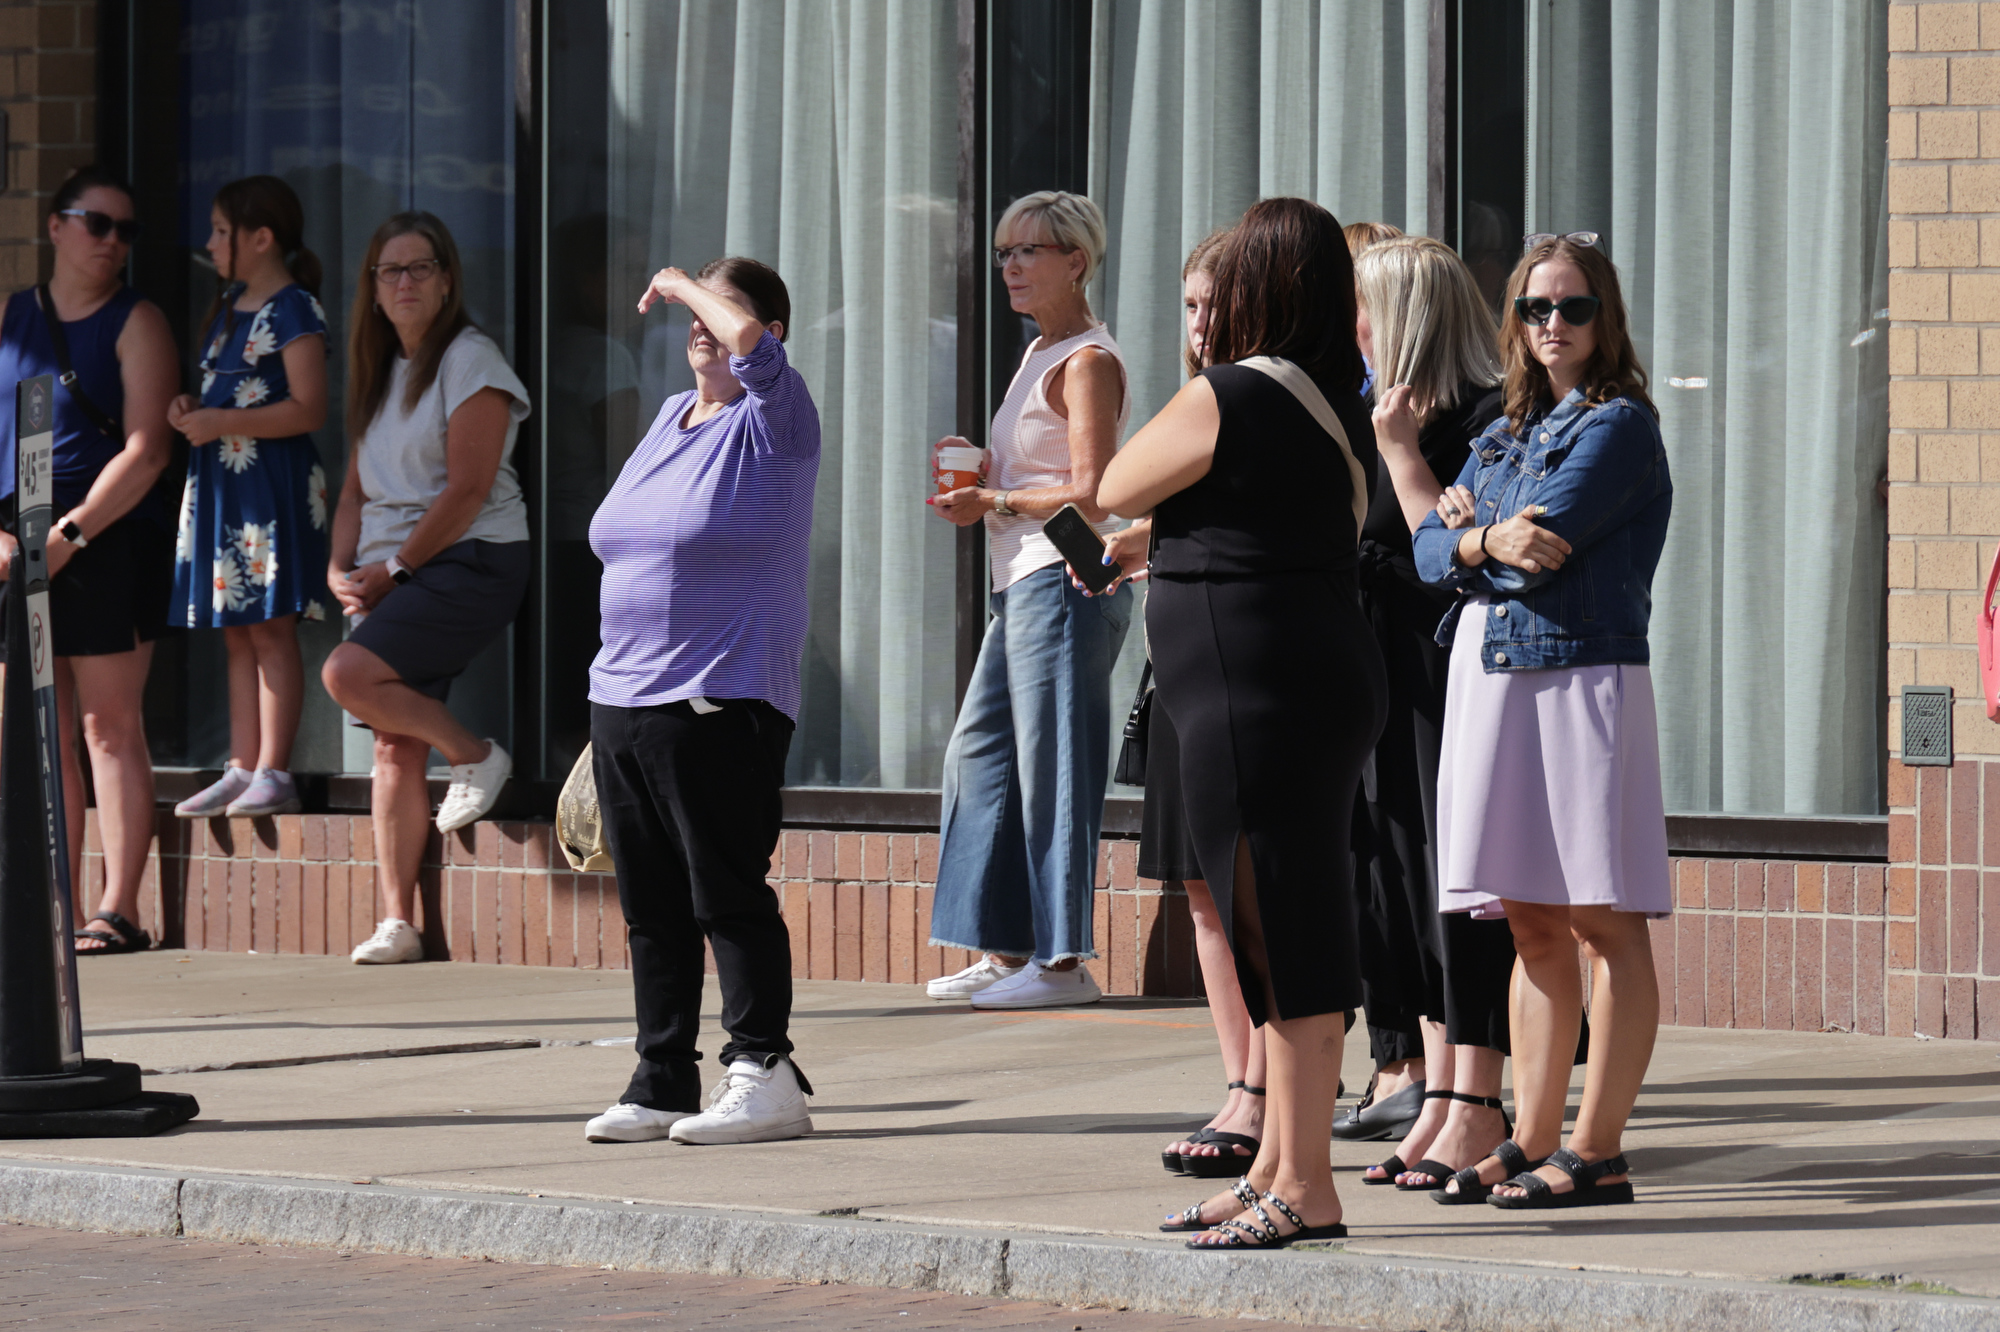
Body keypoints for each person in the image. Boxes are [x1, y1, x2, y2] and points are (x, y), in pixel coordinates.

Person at [1102, 197, 1386, 1248]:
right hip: (1295, 679)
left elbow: (1112, 480)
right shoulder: (1325, 398)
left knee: (1286, 928)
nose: (1207, 308)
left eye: (1226, 285)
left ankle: (1304, 1187)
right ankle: (1274, 1165)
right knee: (1273, 926)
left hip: (1259, 692)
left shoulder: (1232, 394)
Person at [1411, 234, 1672, 1209]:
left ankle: (1596, 1148)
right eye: (1532, 308)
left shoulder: (1615, 427)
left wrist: (1469, 534)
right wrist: (1476, 533)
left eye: (1570, 307)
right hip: (1494, 679)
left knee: (1603, 922)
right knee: (1527, 917)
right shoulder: (1504, 430)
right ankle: (1528, 1135)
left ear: (1602, 318)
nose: (1550, 325)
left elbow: (1537, 552)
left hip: (1577, 680)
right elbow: (1428, 550)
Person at [580, 257, 820, 1147]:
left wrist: (683, 283)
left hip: (722, 693)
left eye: (717, 314)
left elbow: (750, 349)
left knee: (726, 890)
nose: (696, 329)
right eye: (690, 316)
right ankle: (661, 1075)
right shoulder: (669, 422)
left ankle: (763, 1069)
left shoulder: (777, 422)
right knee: (652, 905)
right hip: (625, 697)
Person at [923, 191, 1132, 1011]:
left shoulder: (1086, 361)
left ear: (1075, 261)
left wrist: (997, 504)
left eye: (1028, 251)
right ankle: (1008, 945)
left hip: (1063, 577)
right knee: (979, 757)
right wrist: (982, 486)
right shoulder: (1038, 354)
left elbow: (1096, 488)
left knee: (1054, 768)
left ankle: (1062, 961)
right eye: (1004, 251)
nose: (1009, 266)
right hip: (1025, 581)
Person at [1345, 236, 1518, 1191]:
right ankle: (1446, 1095)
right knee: (1409, 886)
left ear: (1404, 319)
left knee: (1463, 887)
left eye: (1362, 311)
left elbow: (1442, 555)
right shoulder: (1380, 418)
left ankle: (1477, 1104)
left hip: (1447, 677)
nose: (1351, 331)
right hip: (1387, 683)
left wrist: (1402, 453)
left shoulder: (1482, 422)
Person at [321, 212, 531, 965]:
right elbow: (352, 492)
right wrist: (339, 568)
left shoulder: (470, 360)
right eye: (390, 271)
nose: (404, 282)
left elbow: (469, 491)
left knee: (347, 675)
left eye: (420, 268)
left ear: (446, 281)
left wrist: (394, 570)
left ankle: (475, 755)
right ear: (373, 290)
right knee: (390, 745)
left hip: (470, 559)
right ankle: (398, 922)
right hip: (394, 574)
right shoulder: (382, 373)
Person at [0, 166, 178, 954]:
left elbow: (146, 450)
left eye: (125, 231)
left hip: (103, 536)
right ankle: (50, 908)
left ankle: (118, 909)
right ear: (55, 227)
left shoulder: (136, 321)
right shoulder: (12, 317)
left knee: (108, 726)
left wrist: (66, 537)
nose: (112, 243)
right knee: (36, 730)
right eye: (97, 224)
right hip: (16, 535)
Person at [1125, 228, 1269, 1178]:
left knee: (1252, 892)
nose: (1200, 322)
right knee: (1201, 896)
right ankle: (1238, 1080)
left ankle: (1268, 1088)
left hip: (1243, 676)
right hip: (1175, 667)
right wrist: (1141, 549)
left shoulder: (1253, 400)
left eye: (1215, 302)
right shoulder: (1200, 402)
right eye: (1188, 304)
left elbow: (1115, 477)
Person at [168, 175, 331, 820]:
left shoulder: (294, 307)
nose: (209, 243)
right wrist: (193, 408)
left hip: (268, 484)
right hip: (225, 484)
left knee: (268, 627)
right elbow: (229, 395)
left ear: (262, 239)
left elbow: (309, 408)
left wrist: (221, 423)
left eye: (220, 231)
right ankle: (241, 766)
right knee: (237, 628)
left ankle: (274, 768)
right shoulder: (229, 302)